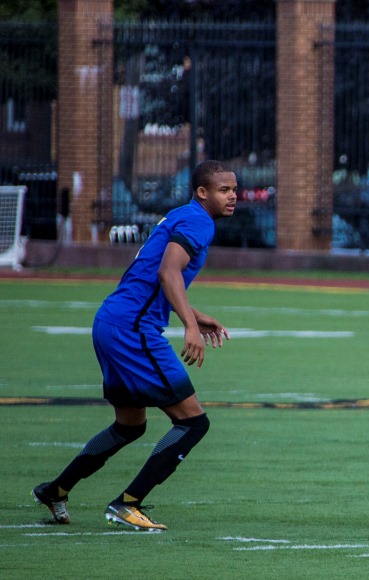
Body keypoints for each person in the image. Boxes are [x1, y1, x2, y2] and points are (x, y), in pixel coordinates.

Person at [32, 160, 238, 532]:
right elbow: (167, 272)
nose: (233, 196)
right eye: (224, 190)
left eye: (234, 189)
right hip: (132, 330)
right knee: (193, 422)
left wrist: (192, 313)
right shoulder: (199, 222)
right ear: (202, 193)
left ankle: (56, 489)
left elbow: (150, 279)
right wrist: (189, 325)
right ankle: (128, 504)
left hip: (111, 321)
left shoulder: (182, 215)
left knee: (130, 425)